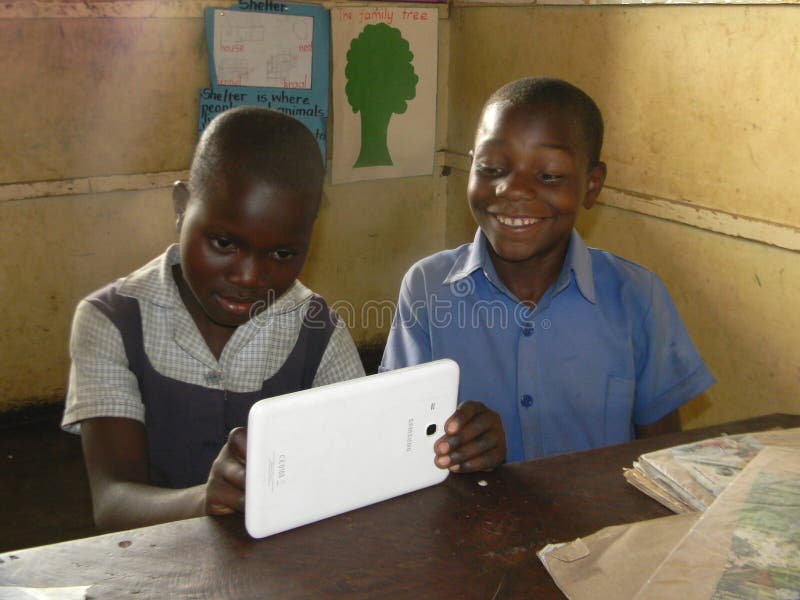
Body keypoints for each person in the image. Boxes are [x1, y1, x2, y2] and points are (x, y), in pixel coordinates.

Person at [381, 77, 715, 472]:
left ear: (592, 185)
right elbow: (396, 444)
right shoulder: (427, 288)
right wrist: (459, 447)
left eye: (549, 176)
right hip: (472, 526)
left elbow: (663, 462)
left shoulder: (637, 297)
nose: (513, 189)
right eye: (491, 168)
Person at [62, 107, 364, 531]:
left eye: (283, 254)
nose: (248, 278)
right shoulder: (112, 320)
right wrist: (205, 500)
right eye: (224, 242)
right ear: (182, 207)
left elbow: (358, 464)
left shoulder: (317, 329)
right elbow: (113, 502)